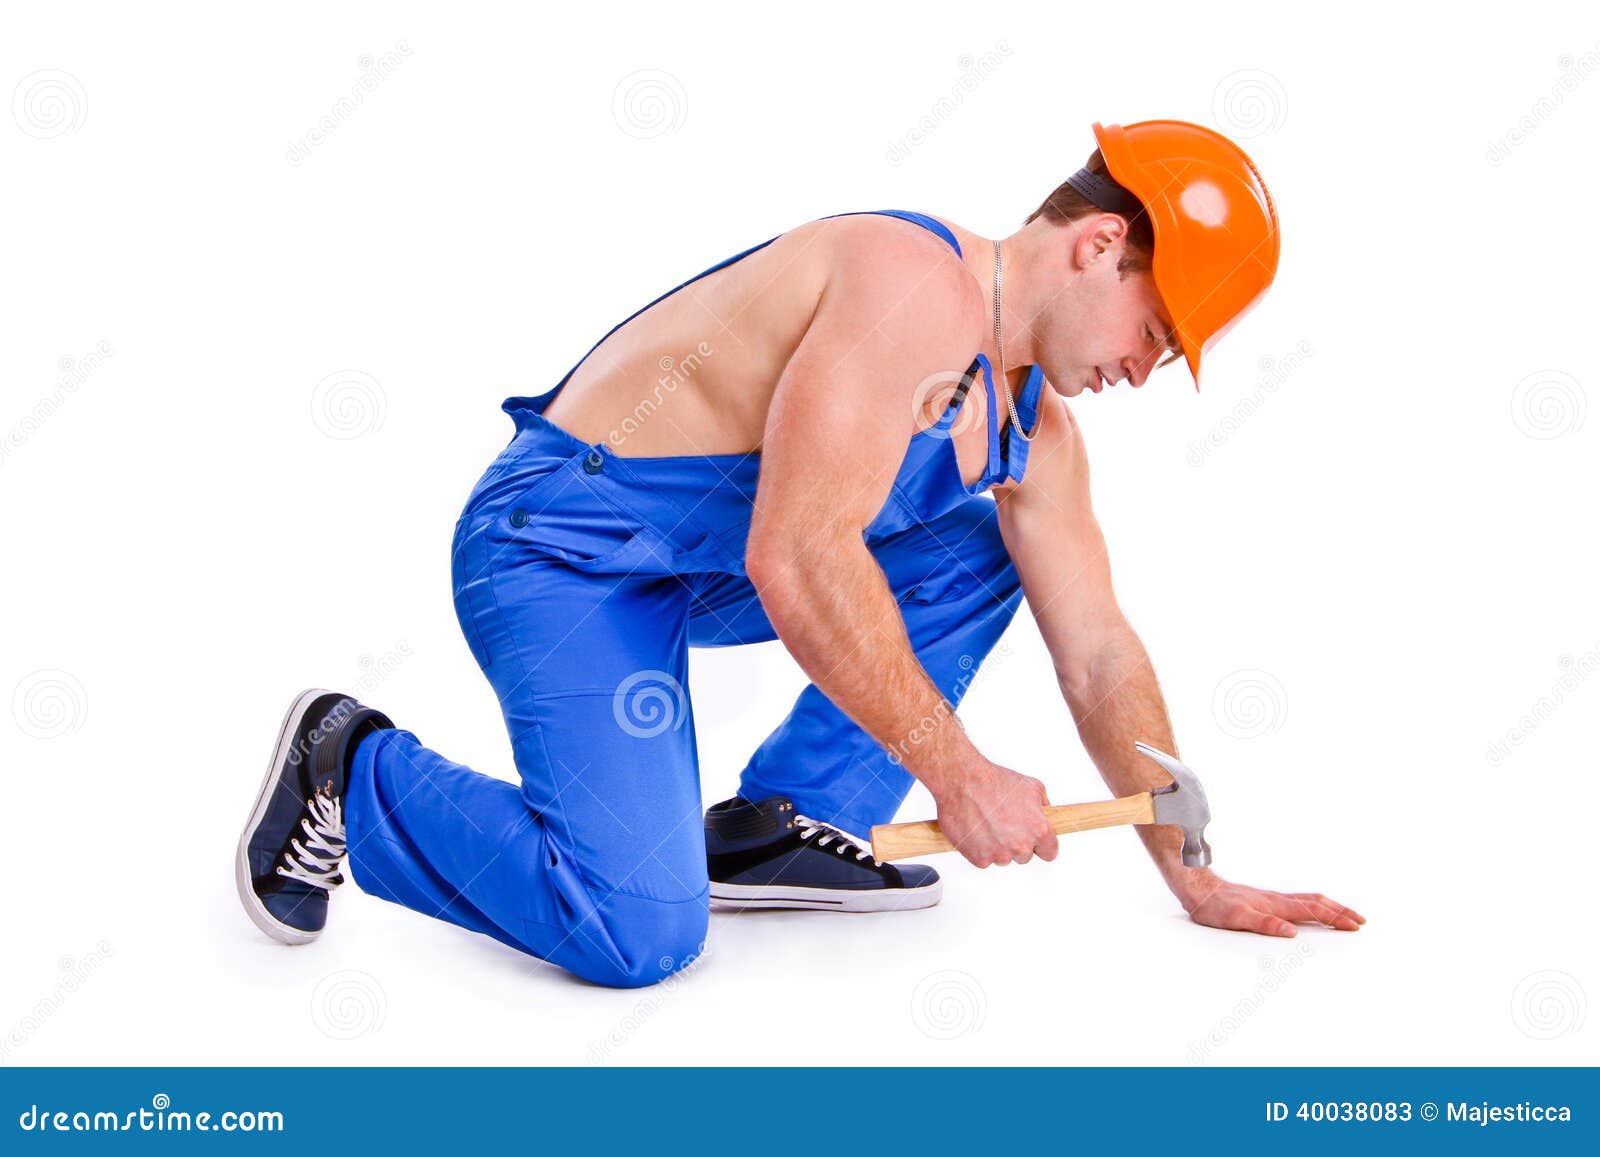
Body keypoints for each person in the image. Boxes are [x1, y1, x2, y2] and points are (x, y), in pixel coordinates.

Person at [236, 120, 1364, 988]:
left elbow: (1099, 651)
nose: (1146, 369)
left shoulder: (1037, 434)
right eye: (1156, 332)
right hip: (556, 550)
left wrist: (1192, 867)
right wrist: (957, 774)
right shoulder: (911, 283)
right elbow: (798, 553)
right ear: (1100, 244)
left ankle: (786, 821)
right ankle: (353, 768)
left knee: (981, 545)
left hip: (682, 571)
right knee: (635, 930)